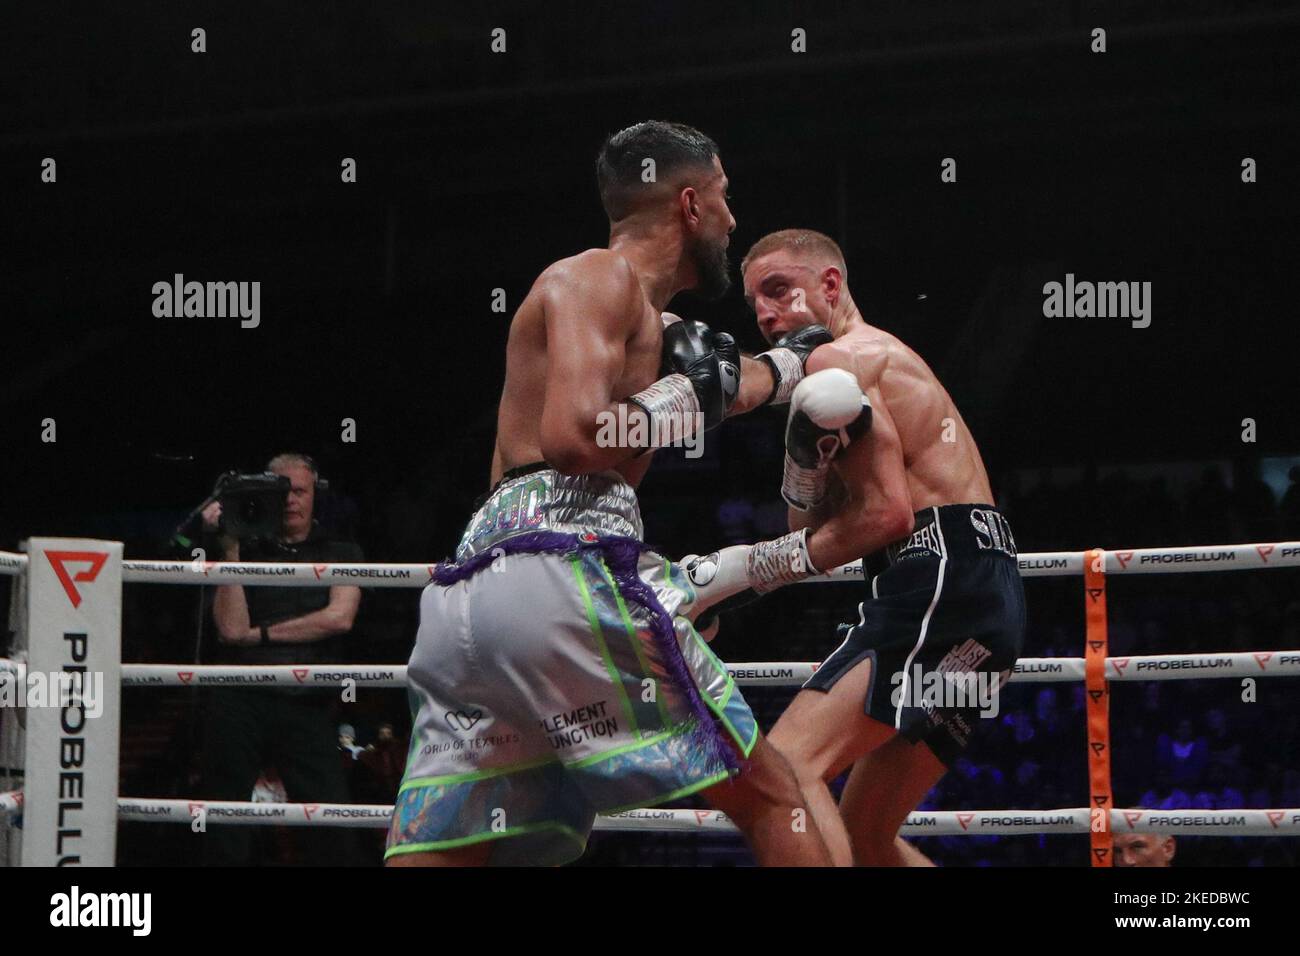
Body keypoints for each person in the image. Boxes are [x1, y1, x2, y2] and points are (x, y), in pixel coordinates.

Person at [386, 121, 837, 866]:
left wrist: (794, 362)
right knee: (774, 796)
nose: (733, 219)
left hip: (471, 600)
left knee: (456, 846)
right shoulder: (595, 276)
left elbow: (726, 384)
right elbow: (574, 438)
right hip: (564, 568)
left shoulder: (646, 321)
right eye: (725, 198)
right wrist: (683, 397)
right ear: (690, 204)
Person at [689, 228, 1027, 866]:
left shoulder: (837, 359)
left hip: (937, 577)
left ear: (831, 286)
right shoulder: (856, 365)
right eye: (755, 300)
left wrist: (741, 572)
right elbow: (810, 521)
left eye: (780, 290)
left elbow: (886, 515)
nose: (766, 313)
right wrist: (800, 461)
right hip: (985, 597)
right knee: (866, 837)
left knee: (789, 766)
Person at [198, 452, 364, 865]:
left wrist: (262, 635)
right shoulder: (245, 549)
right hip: (241, 695)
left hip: (306, 699)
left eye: (300, 491)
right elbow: (230, 629)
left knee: (331, 823)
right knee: (224, 816)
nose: (291, 500)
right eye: (281, 491)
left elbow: (339, 618)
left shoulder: (341, 550)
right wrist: (229, 546)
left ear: (315, 495)